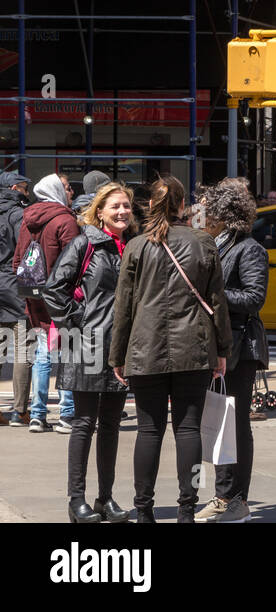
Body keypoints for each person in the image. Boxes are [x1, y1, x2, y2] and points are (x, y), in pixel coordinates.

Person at [110, 176, 232, 523]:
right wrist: (222, 348)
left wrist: (117, 355)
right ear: (183, 206)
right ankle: (186, 509)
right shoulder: (204, 243)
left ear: (150, 205)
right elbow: (217, 301)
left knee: (149, 431)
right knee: (189, 430)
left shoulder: (136, 246)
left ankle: (144, 509)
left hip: (145, 348)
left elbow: (125, 307)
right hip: (193, 348)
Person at [43, 182, 134, 523]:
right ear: (100, 212)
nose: (123, 211)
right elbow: (54, 289)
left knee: (111, 425)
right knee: (84, 423)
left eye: (126, 205)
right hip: (86, 346)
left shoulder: (133, 247)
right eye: (115, 206)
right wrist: (80, 321)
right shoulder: (85, 243)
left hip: (121, 349)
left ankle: (105, 499)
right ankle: (76, 500)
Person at [193, 178, 268, 524]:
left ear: (224, 213)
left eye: (207, 208)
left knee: (233, 425)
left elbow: (254, 298)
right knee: (220, 421)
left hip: (241, 346)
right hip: (220, 344)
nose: (201, 213)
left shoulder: (248, 247)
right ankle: (225, 496)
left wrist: (212, 296)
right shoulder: (214, 244)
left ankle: (234, 498)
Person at [14, 173, 79, 432]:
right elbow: (75, 262)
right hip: (62, 297)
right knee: (66, 353)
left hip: (34, 295)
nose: (70, 191)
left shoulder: (26, 220)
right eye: (66, 188)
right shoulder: (65, 220)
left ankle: (38, 415)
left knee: (43, 353)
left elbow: (17, 261)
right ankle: (66, 414)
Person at [0, 171, 33, 427]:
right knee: (24, 346)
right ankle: (20, 411)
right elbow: (27, 250)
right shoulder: (18, 214)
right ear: (13, 188)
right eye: (24, 187)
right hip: (13, 284)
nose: (26, 192)